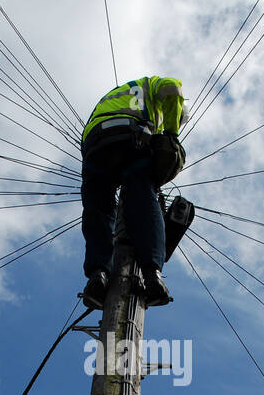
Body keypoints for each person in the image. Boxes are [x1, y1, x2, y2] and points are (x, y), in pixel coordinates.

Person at [80, 75, 186, 309]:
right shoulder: (154, 84)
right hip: (132, 138)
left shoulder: (118, 94)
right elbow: (172, 88)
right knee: (142, 197)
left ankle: (98, 275)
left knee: (98, 208)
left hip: (94, 144)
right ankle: (152, 276)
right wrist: (170, 133)